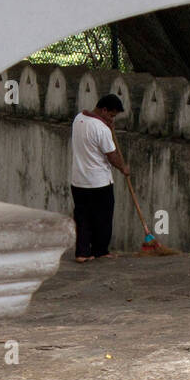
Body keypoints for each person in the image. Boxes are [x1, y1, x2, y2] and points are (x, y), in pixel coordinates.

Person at [70, 93, 129, 262]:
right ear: (104, 110)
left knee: (82, 218)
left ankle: (82, 253)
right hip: (99, 183)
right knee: (102, 218)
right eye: (111, 115)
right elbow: (111, 155)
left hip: (78, 180)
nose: (112, 119)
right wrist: (123, 168)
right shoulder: (101, 129)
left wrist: (108, 125)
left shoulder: (78, 119)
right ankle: (100, 250)